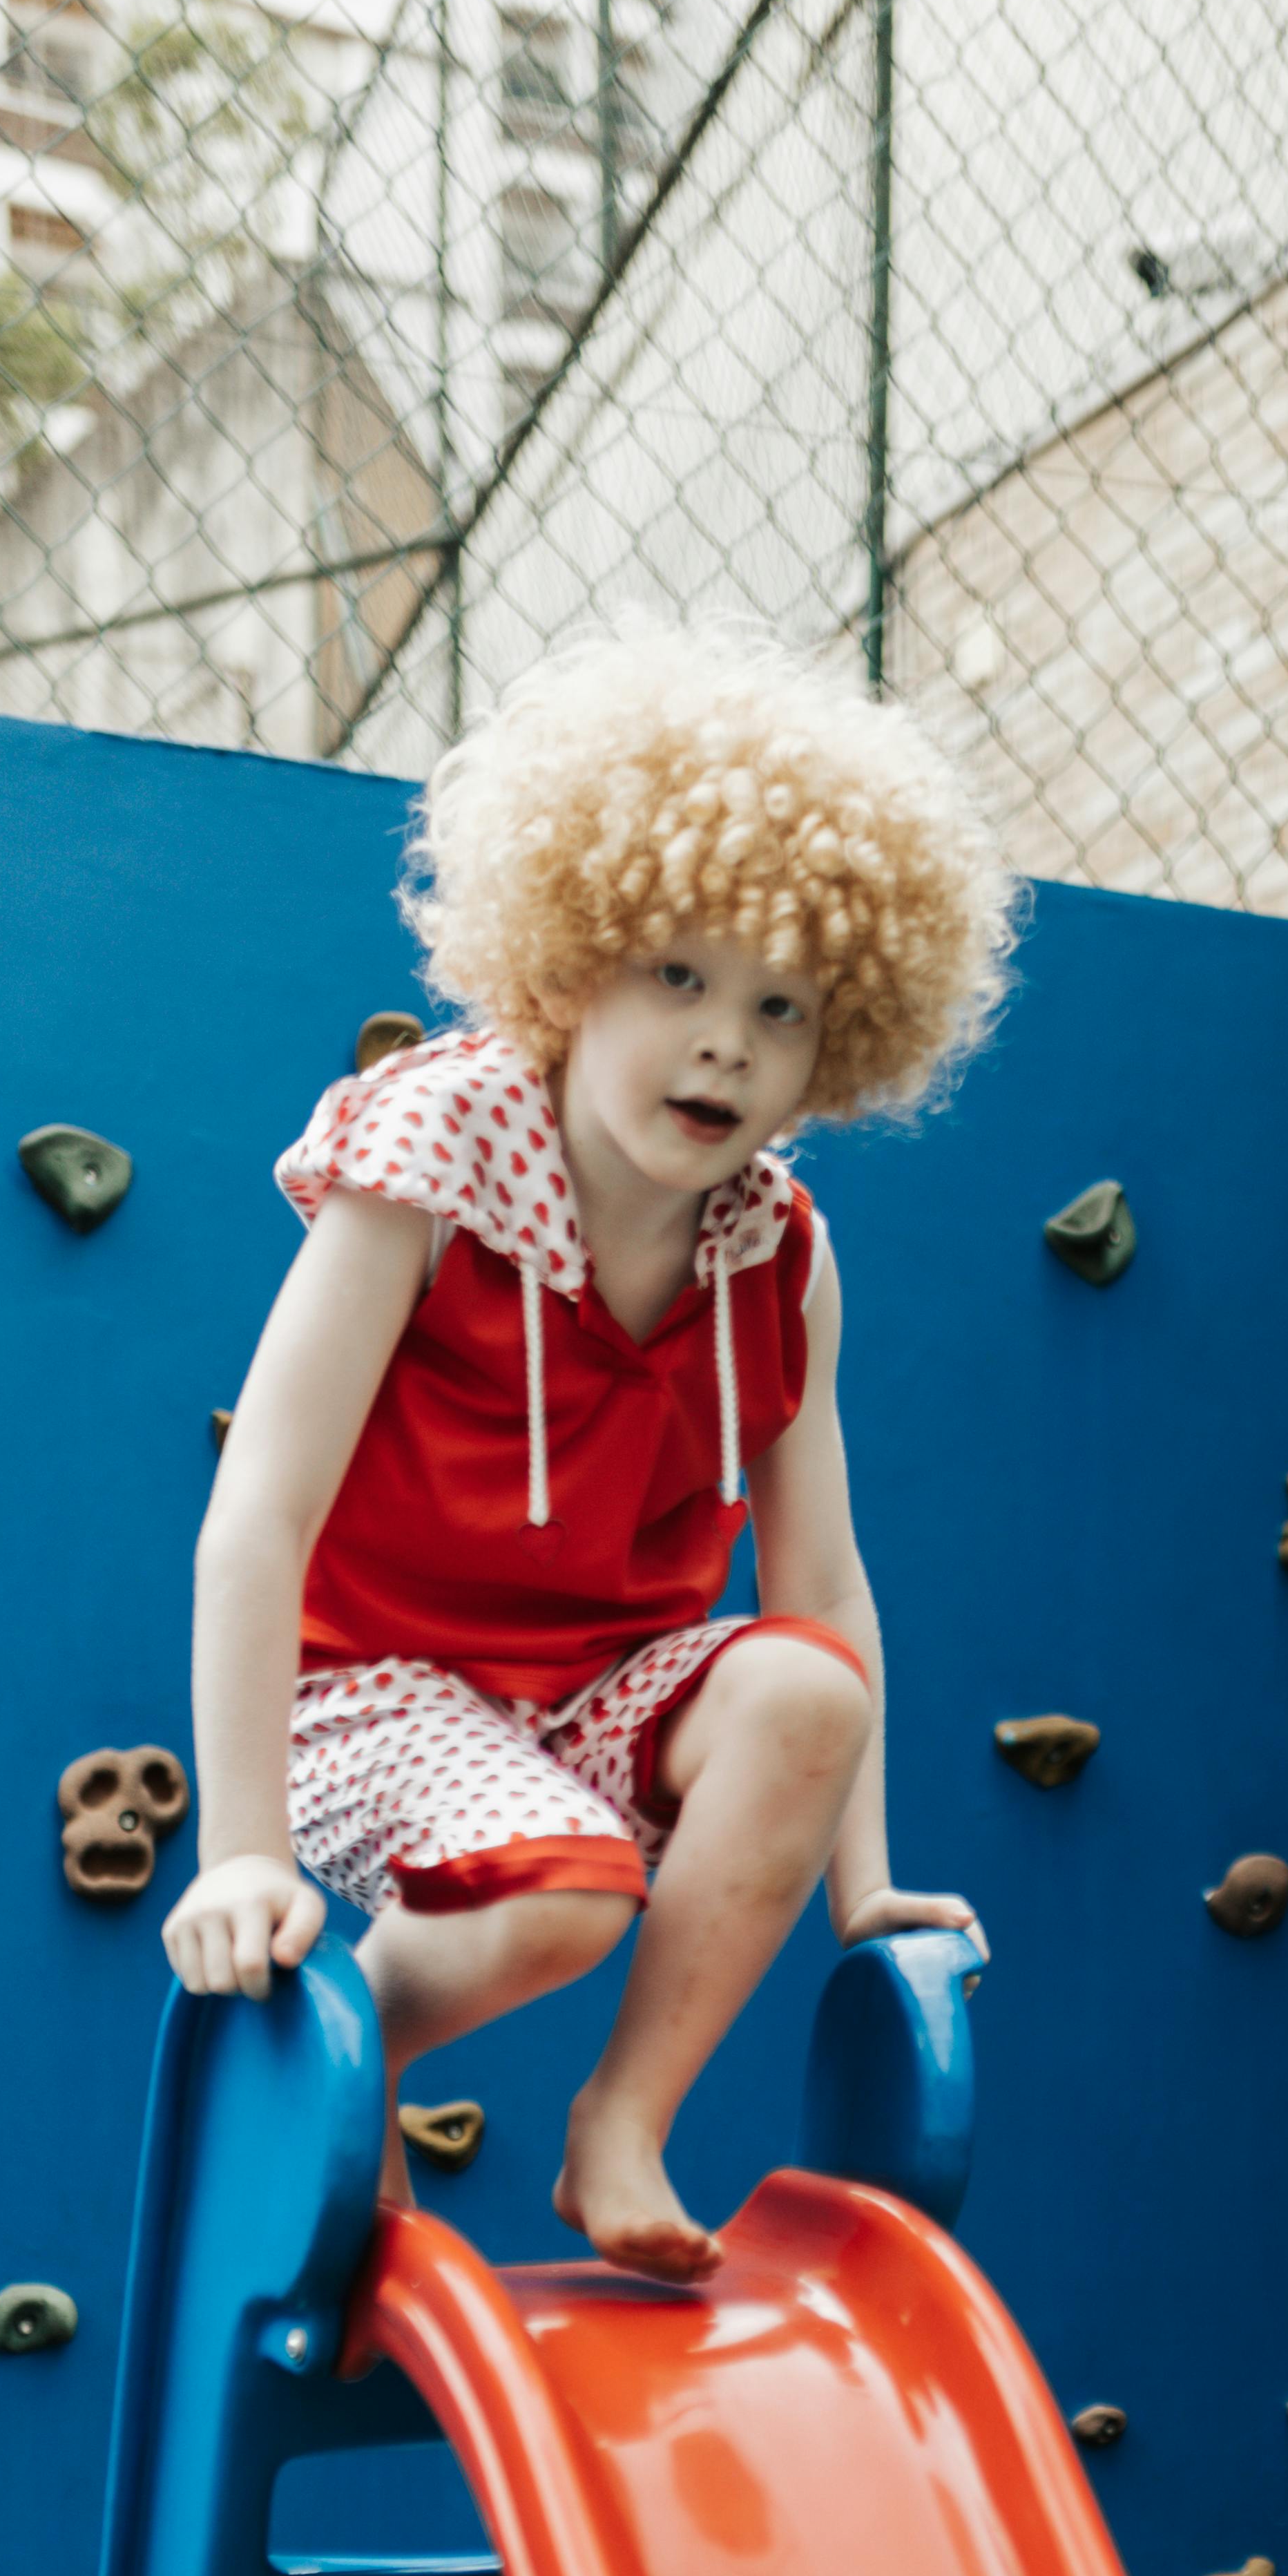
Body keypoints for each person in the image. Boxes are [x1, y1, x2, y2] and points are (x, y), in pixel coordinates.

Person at [160, 628, 1010, 2278]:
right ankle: (345, 2058)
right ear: (572, 963)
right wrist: (241, 1850)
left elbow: (821, 1579)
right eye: (677, 978)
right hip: (370, 1689)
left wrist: (869, 1885)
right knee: (569, 1892)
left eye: (781, 1008)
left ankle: (620, 2122)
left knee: (803, 1689)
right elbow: (258, 1511)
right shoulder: (431, 1147)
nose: (724, 1045)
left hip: (589, 1705)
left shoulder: (777, 1253)